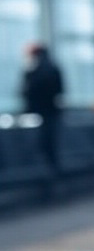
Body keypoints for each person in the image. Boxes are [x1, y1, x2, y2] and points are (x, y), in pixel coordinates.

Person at [20, 43, 64, 174]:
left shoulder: (35, 70)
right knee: (50, 146)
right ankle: (52, 172)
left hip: (38, 113)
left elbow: (28, 91)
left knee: (40, 145)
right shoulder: (53, 68)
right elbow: (60, 91)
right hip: (51, 113)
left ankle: (44, 172)